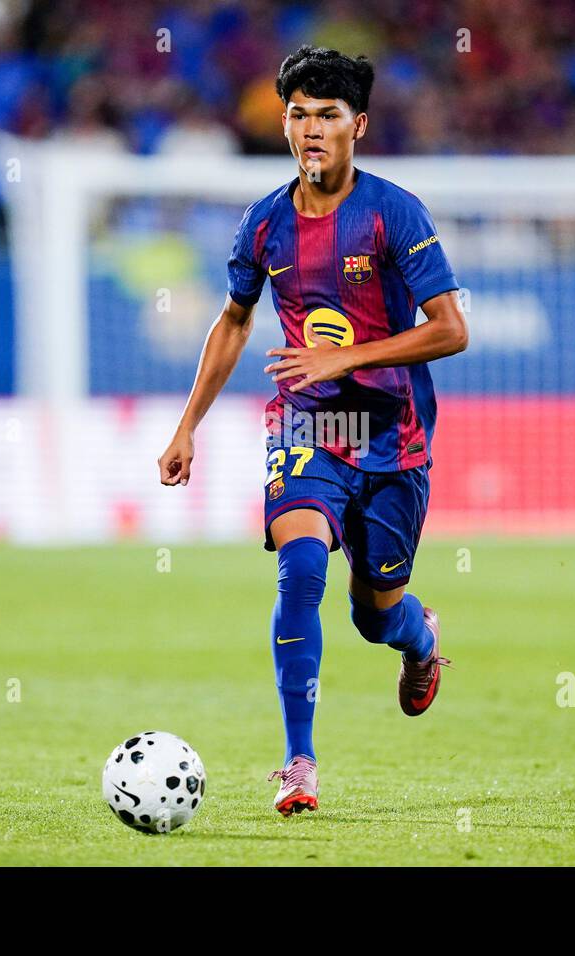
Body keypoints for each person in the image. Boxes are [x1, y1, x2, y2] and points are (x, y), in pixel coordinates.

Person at [157, 45, 468, 816]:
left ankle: (418, 638)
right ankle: (300, 762)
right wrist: (186, 425)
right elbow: (233, 323)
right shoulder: (264, 223)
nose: (311, 130)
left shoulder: (394, 212)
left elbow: (452, 329)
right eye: (298, 115)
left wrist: (348, 357)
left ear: (358, 125)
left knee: (373, 613)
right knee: (300, 566)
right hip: (309, 426)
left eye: (328, 116)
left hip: (393, 435)